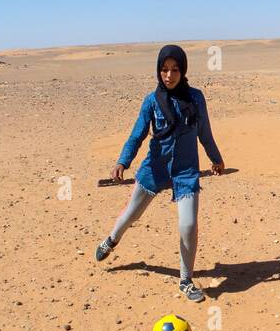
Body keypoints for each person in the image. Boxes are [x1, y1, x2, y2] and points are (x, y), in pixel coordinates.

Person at [95, 44, 224, 303]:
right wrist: (123, 161)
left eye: (175, 69)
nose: (169, 75)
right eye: (164, 70)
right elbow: (137, 135)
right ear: (158, 71)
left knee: (188, 225)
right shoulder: (151, 101)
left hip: (186, 172)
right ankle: (111, 239)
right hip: (154, 169)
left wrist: (215, 158)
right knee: (132, 214)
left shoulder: (196, 98)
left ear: (183, 70)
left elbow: (204, 132)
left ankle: (185, 280)